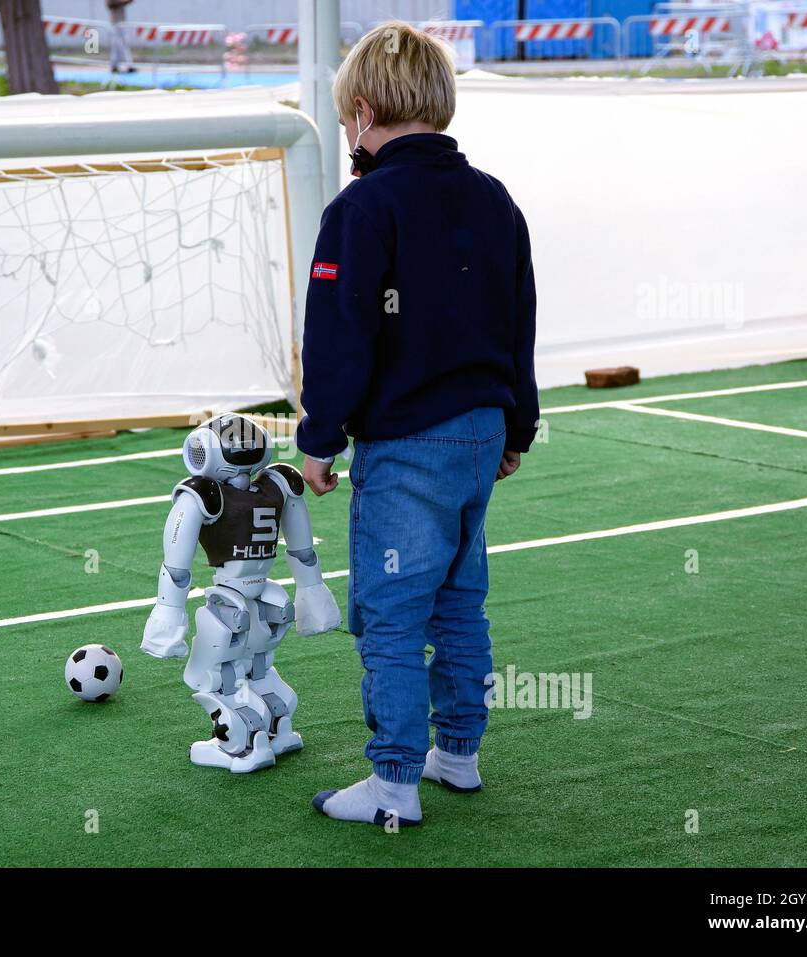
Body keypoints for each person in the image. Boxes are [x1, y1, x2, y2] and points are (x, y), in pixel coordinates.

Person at [297, 22, 539, 827]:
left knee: (393, 612)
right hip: (479, 433)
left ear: (362, 111)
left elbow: (339, 333)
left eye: (344, 125)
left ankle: (394, 778)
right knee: (461, 598)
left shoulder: (360, 207)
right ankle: (458, 754)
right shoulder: (496, 198)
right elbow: (519, 324)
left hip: (406, 445)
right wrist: (517, 427)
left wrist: (319, 437)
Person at [106, 0, 136, 73]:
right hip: (114, 23)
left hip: (122, 23)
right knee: (117, 45)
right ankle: (115, 66)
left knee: (125, 44)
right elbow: (110, 4)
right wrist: (123, 1)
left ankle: (128, 65)